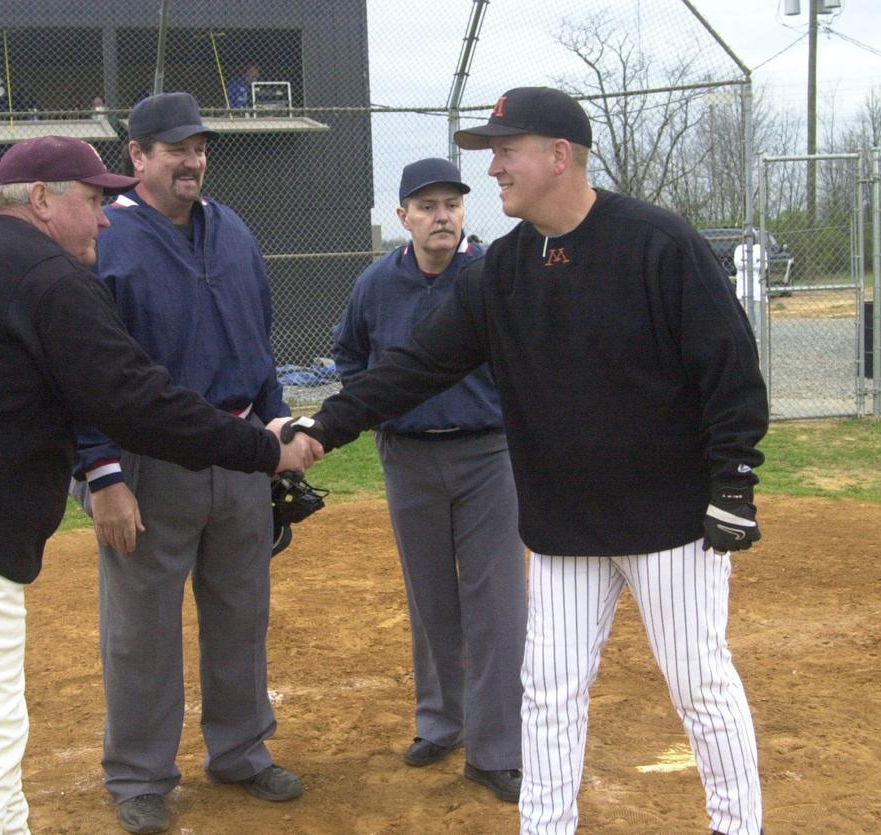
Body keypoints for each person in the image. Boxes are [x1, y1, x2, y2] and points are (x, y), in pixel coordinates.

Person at [287, 86, 768, 835]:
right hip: (563, 524)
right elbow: (415, 366)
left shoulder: (656, 242)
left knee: (700, 685)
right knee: (547, 690)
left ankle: (739, 826)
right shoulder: (502, 271)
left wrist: (734, 480)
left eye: (505, 152)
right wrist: (322, 428)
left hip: (669, 520)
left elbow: (729, 365)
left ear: (559, 155)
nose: (494, 170)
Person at [0, 135, 319, 835]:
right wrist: (259, 449)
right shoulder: (43, 274)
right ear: (40, 201)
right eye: (91, 199)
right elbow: (133, 398)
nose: (106, 216)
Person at [74, 91, 301, 835]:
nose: (192, 160)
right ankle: (140, 775)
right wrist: (100, 473)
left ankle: (239, 748)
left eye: (200, 146)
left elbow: (257, 340)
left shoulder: (232, 229)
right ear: (136, 156)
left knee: (242, 611)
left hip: (237, 453)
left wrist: (274, 422)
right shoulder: (108, 238)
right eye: (175, 148)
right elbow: (78, 371)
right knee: (141, 628)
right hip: (148, 462)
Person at [332, 158, 525, 803]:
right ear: (403, 217)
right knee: (430, 598)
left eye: (452, 203)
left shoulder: (493, 275)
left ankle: (497, 749)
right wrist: (375, 406)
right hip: (408, 456)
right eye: (428, 205)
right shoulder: (376, 283)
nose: (442, 215)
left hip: (488, 453)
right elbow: (350, 354)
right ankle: (441, 723)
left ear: (465, 213)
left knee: (497, 603)